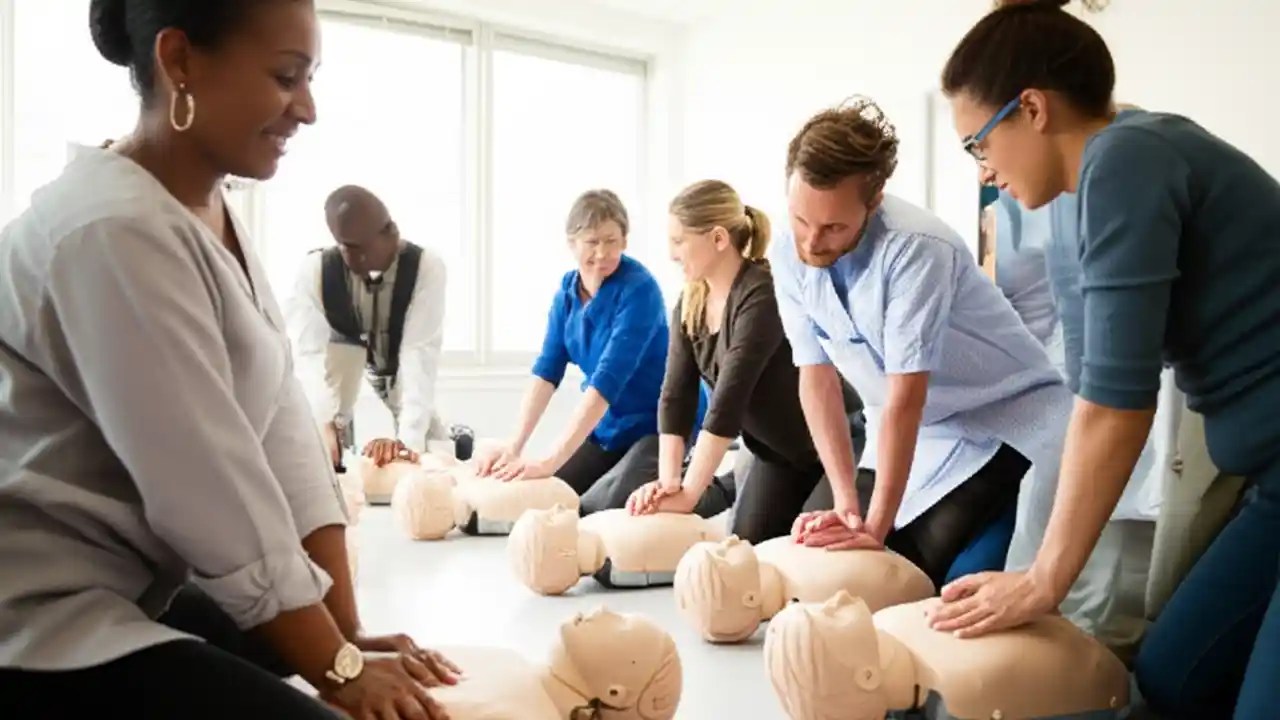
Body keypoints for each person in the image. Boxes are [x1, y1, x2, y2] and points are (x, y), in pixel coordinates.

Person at [0, 2, 457, 718]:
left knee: (293, 640)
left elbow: (281, 428)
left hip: (130, 583)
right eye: (285, 77)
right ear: (179, 60)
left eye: (310, 78)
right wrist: (339, 670)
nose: (306, 108)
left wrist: (348, 632)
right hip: (35, 617)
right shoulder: (111, 232)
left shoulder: (205, 208)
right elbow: (209, 489)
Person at [932, 2, 1280, 718]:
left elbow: (1120, 403)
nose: (986, 173)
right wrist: (1038, 570)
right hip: (1269, 483)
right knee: (1174, 677)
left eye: (979, 145)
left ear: (1030, 108)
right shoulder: (1081, 194)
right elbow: (1092, 387)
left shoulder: (1130, 156)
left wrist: (1043, 582)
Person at [771, 96, 1076, 590]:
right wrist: (846, 503)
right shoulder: (787, 250)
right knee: (815, 556)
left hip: (1001, 421)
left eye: (832, 227)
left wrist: (874, 528)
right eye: (801, 220)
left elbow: (905, 397)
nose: (811, 242)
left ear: (873, 201)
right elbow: (815, 376)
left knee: (904, 569)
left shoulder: (916, 248)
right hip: (912, 427)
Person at [625, 180, 863, 545]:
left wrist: (690, 493)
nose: (672, 254)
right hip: (780, 457)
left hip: (838, 445)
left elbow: (728, 401)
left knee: (813, 547)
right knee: (747, 549)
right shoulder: (689, 305)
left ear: (719, 238)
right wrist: (668, 482)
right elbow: (675, 397)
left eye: (679, 241)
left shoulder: (762, 292)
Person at [475, 190, 676, 515]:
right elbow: (546, 373)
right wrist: (515, 447)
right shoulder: (566, 295)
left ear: (625, 240)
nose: (602, 252)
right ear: (572, 243)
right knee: (547, 499)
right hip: (610, 426)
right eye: (592, 241)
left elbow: (607, 382)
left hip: (659, 425)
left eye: (612, 240)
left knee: (597, 507)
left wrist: (549, 459)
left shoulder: (641, 291)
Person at [285, 184, 471, 470]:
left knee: (428, 445)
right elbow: (308, 355)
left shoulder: (426, 268)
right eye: (349, 248)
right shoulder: (315, 271)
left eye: (365, 248)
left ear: (392, 233)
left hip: (399, 361)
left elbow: (418, 353)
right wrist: (323, 422)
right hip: (342, 360)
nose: (358, 260)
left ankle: (455, 437)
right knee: (322, 442)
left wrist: (407, 444)